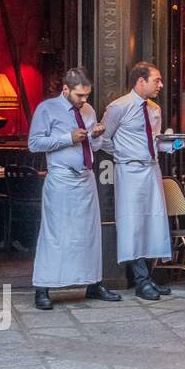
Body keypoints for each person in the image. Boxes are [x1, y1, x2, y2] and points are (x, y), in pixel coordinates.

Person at [27, 68, 116, 311]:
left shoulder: (88, 111)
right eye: (79, 95)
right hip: (61, 178)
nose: (84, 100)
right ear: (65, 90)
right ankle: (43, 288)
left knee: (90, 234)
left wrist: (96, 135)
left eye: (87, 95)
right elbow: (34, 143)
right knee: (55, 234)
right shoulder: (47, 109)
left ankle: (93, 284)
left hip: (86, 177)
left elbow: (94, 147)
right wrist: (68, 138)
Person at [100, 62, 171, 301]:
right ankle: (140, 280)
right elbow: (103, 139)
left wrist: (172, 143)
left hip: (151, 168)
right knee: (133, 222)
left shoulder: (154, 109)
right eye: (156, 80)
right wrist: (122, 154)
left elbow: (155, 140)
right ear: (141, 81)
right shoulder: (118, 107)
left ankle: (149, 276)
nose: (160, 85)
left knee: (154, 220)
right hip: (129, 170)